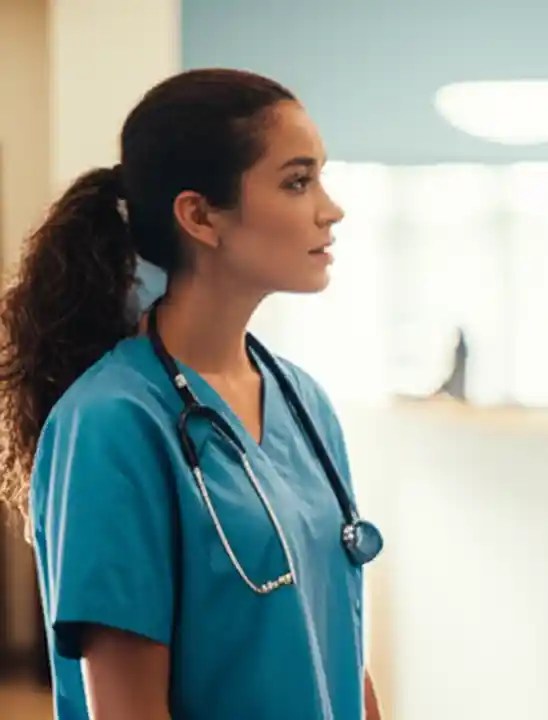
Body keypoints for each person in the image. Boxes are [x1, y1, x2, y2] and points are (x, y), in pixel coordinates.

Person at [0, 69, 384, 720]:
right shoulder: (111, 423)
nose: (331, 208)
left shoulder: (305, 403)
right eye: (297, 182)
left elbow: (339, 650)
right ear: (200, 215)